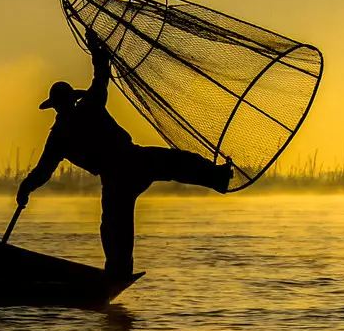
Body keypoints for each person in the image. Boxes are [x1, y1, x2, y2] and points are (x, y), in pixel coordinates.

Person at [16, 28, 232, 283]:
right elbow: (101, 77)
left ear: (57, 105)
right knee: (172, 168)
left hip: (125, 167)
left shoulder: (64, 131)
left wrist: (26, 188)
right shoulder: (77, 118)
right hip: (127, 167)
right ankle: (216, 177)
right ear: (69, 101)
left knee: (123, 219)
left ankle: (216, 177)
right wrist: (97, 52)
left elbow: (42, 171)